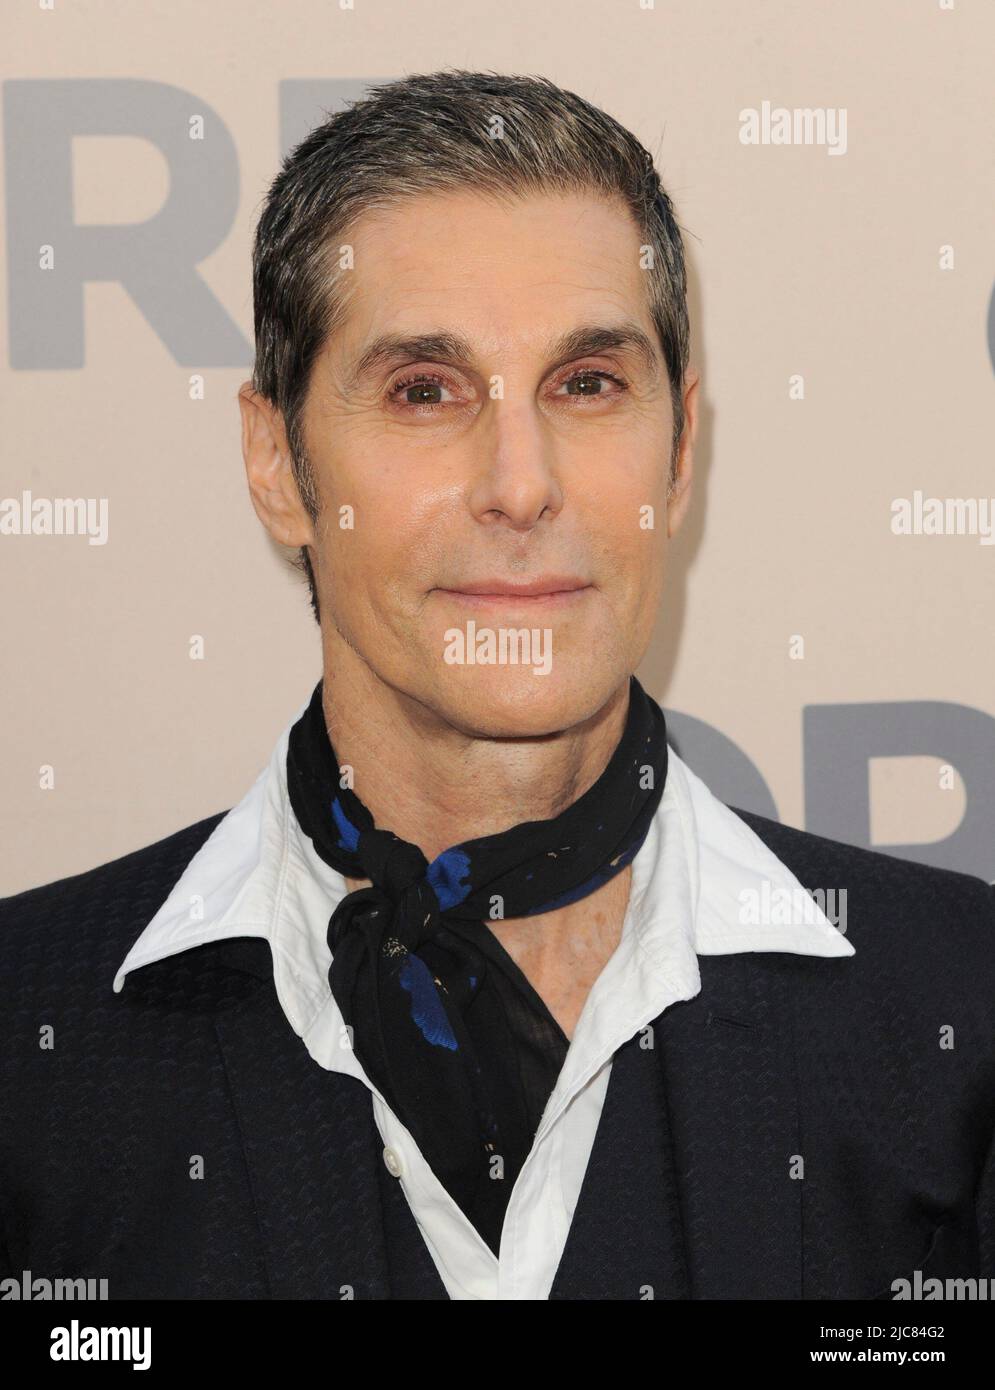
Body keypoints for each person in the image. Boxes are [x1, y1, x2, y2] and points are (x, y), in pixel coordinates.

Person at [2, 69, 993, 1303]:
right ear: (275, 460)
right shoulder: (25, 1036)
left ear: (679, 452)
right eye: (424, 390)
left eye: (585, 384)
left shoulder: (963, 1018)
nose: (520, 484)